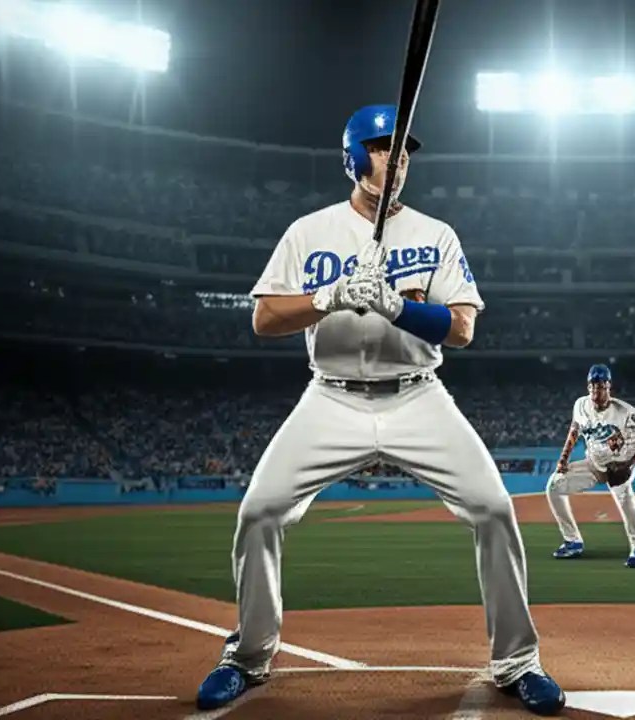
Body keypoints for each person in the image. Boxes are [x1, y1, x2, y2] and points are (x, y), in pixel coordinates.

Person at [194, 104, 564, 716]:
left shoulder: (434, 233)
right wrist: (328, 296)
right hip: (330, 396)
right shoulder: (309, 232)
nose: (399, 160)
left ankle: (517, 660)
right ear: (353, 157)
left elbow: (463, 330)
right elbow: (263, 319)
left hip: (419, 395)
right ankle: (251, 654)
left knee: (494, 509)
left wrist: (397, 308)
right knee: (259, 511)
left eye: (406, 150)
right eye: (384, 147)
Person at [546, 364, 635, 568]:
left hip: (618, 467)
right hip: (594, 464)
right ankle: (573, 541)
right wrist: (563, 459)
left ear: (609, 387)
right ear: (588, 387)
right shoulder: (580, 405)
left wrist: (629, 464)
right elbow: (574, 431)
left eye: (601, 386)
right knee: (555, 485)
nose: (597, 390)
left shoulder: (623, 411)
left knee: (625, 497)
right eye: (593, 386)